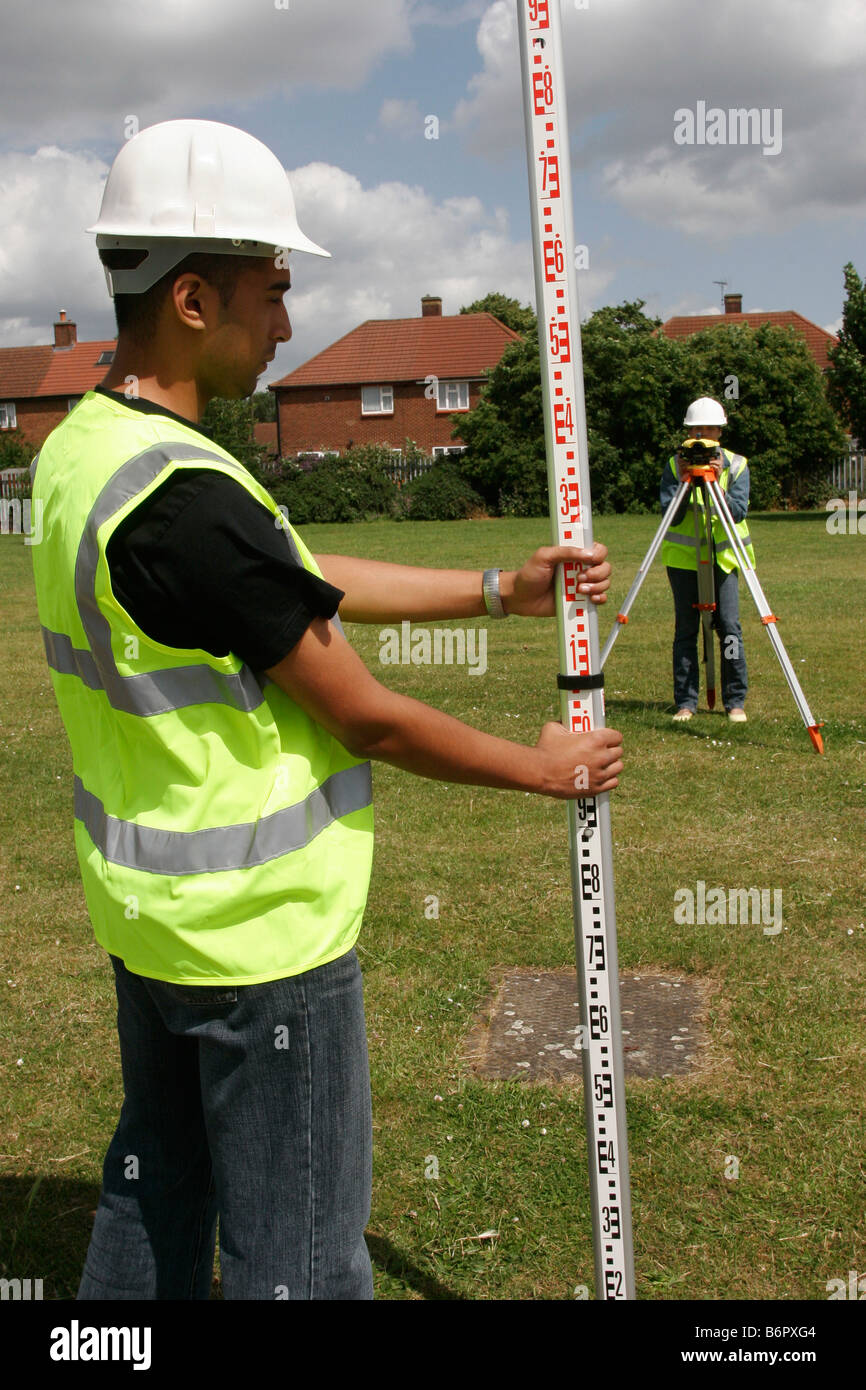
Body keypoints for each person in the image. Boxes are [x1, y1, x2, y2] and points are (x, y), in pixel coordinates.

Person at [30, 120, 624, 1301]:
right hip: (264, 947)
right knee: (298, 1257)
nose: (288, 326)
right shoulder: (185, 498)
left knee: (154, 1193)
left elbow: (292, 575)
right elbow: (365, 716)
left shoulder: (92, 451)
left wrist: (493, 591)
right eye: (273, 292)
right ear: (193, 299)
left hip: (155, 922)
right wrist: (541, 764)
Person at [660, 397, 755, 723]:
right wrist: (687, 481)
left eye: (708, 430)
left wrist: (716, 482)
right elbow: (670, 517)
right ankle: (686, 702)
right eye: (696, 430)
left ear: (720, 432)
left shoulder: (737, 466)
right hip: (683, 560)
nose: (702, 436)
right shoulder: (675, 467)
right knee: (686, 630)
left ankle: (735, 701)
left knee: (728, 628)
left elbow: (738, 512)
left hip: (724, 560)